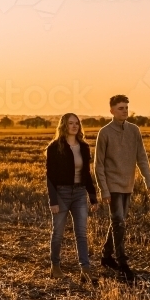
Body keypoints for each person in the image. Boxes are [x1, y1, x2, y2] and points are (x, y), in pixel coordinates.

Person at [94, 94, 150, 281]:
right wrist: (103, 189)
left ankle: (105, 256)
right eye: (121, 108)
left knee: (117, 224)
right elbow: (99, 164)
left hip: (128, 184)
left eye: (126, 108)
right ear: (111, 110)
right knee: (119, 222)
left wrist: (148, 180)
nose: (125, 111)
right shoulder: (104, 133)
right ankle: (122, 263)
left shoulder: (134, 131)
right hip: (112, 186)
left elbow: (141, 157)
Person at [46, 112, 98, 280]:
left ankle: (85, 269)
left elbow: (87, 174)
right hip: (61, 193)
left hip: (79, 193)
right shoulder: (54, 147)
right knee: (58, 233)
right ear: (64, 126)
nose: (74, 126)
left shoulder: (83, 147)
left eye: (77, 123)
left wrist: (93, 197)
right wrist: (53, 201)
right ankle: (55, 266)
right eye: (70, 123)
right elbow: (50, 176)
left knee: (81, 233)